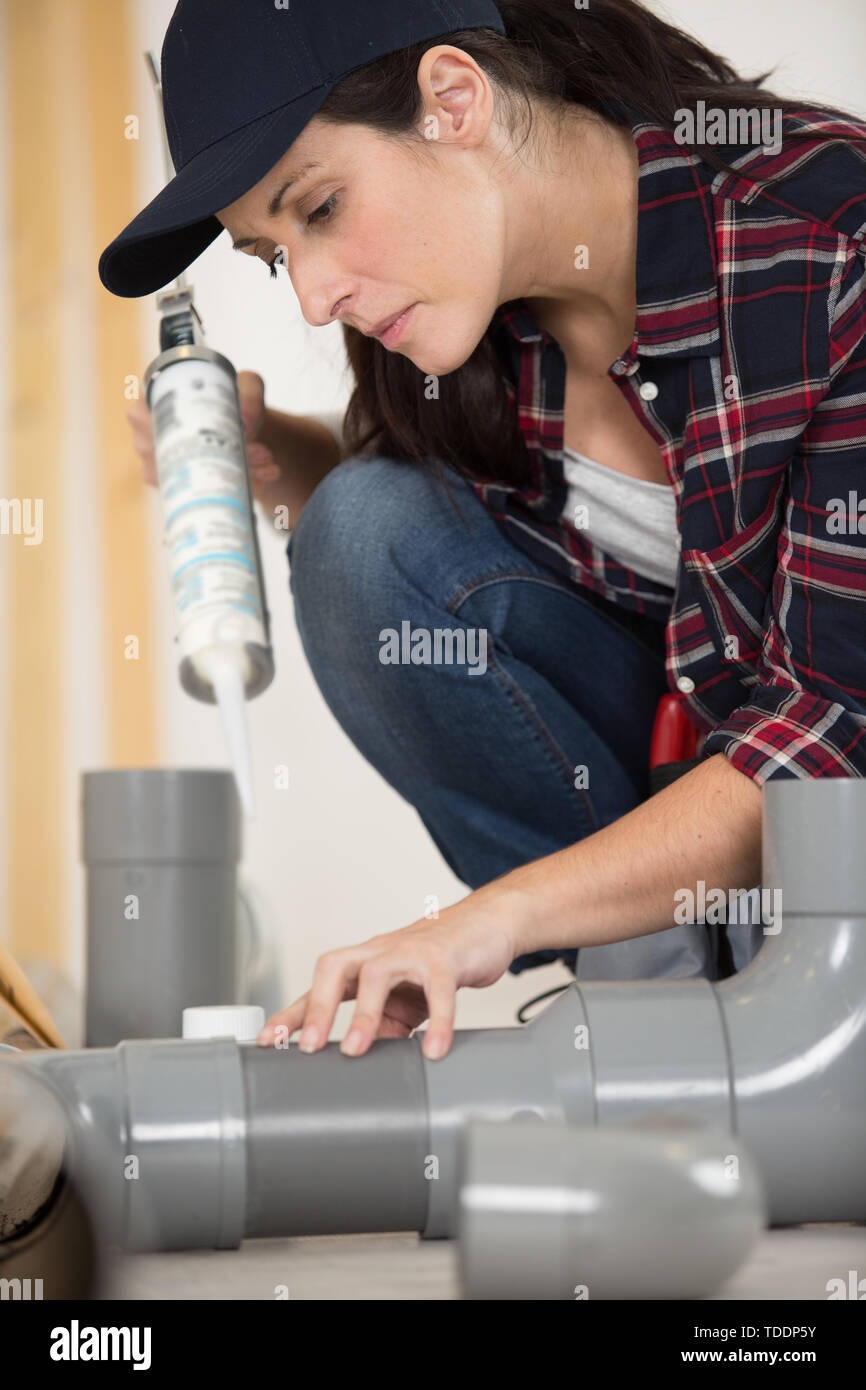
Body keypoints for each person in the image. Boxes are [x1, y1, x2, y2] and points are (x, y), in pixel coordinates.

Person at [108, 0, 866, 1062]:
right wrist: (280, 461)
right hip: (689, 832)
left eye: (318, 209)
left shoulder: (829, 245)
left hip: (835, 841)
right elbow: (425, 554)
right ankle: (656, 1011)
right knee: (358, 532)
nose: (316, 299)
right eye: (273, 257)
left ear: (453, 100)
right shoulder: (465, 333)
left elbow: (832, 728)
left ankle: (731, 1019)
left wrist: (482, 920)